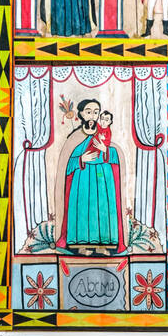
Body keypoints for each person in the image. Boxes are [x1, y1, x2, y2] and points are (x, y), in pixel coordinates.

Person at [56, 100, 126, 255]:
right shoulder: (75, 137)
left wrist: (105, 151)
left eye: (96, 112)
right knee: (83, 211)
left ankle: (103, 245)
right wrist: (81, 159)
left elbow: (115, 156)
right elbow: (67, 165)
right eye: (88, 111)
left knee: (102, 210)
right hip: (82, 181)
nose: (92, 115)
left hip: (102, 180)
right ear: (81, 114)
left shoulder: (104, 133)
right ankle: (80, 246)